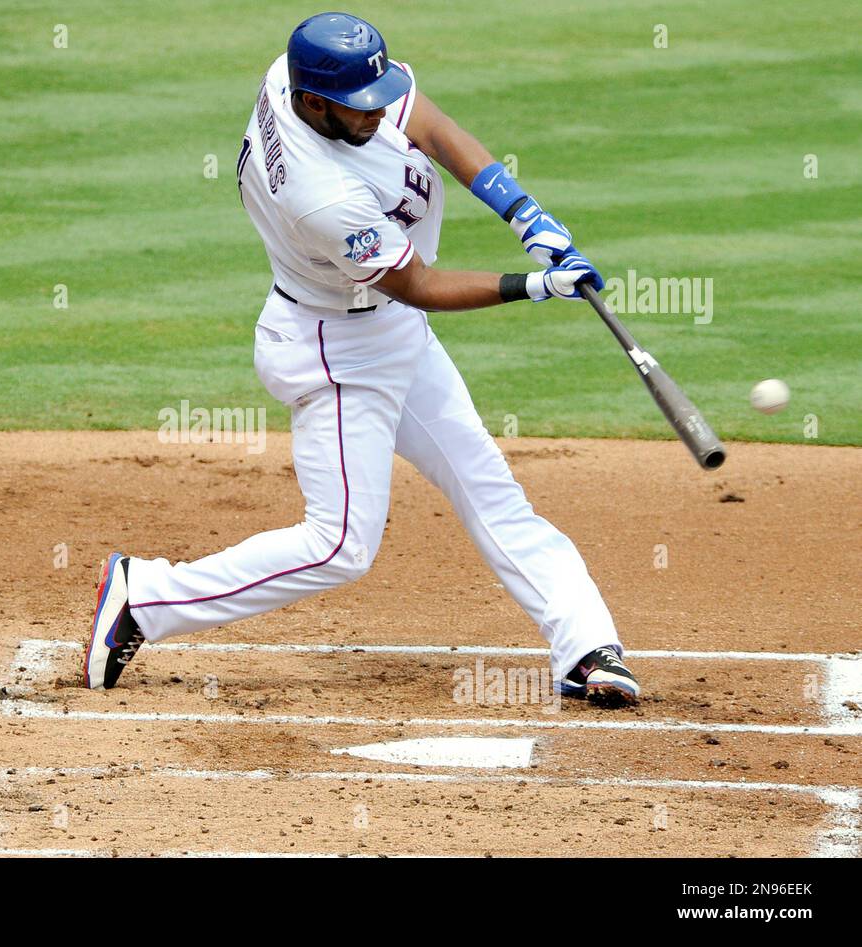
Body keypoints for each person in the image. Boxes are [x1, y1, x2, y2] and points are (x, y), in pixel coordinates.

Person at [85, 13, 639, 706]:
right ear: (314, 105)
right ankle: (145, 596)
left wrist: (524, 213)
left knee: (487, 485)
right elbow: (418, 286)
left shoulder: (301, 73)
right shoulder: (319, 195)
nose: (379, 114)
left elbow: (431, 126)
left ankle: (585, 645)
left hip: (389, 331)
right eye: (362, 107)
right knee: (339, 544)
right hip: (339, 351)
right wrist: (532, 284)